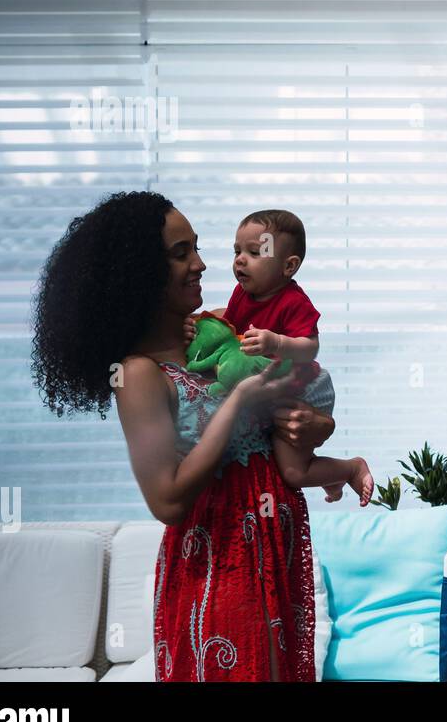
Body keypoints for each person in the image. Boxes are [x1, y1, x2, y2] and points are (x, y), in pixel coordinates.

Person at [31, 191, 362, 681]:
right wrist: (240, 403)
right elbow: (166, 500)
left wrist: (320, 427)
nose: (203, 264)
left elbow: (283, 413)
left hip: (276, 550)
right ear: (138, 271)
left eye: (198, 248)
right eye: (181, 252)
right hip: (219, 564)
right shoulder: (136, 373)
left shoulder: (219, 335)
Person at [190, 208, 371, 505]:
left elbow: (310, 346)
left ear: (288, 266)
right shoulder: (241, 294)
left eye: (254, 252)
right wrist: (200, 322)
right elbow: (229, 328)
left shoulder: (293, 301)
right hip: (277, 386)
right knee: (290, 459)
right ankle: (331, 479)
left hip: (308, 388)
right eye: (237, 250)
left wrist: (277, 342)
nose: (240, 259)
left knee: (294, 472)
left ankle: (350, 468)